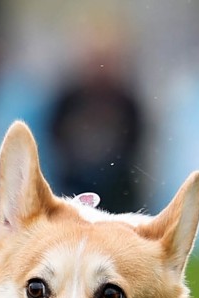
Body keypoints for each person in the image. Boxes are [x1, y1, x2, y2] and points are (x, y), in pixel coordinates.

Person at [46, 28, 144, 215]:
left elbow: (135, 142)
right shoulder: (69, 100)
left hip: (117, 189)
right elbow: (55, 138)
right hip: (75, 184)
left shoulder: (125, 101)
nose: (100, 67)